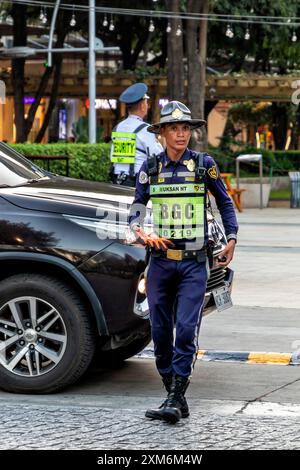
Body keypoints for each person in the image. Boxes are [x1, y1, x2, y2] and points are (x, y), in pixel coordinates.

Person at [129, 101, 238, 423]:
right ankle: (172, 392)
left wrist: (231, 239)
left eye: (186, 128)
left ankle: (176, 396)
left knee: (187, 329)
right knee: (160, 331)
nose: (181, 134)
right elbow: (137, 206)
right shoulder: (150, 169)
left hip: (194, 263)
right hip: (161, 263)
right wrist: (141, 231)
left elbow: (226, 204)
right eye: (174, 128)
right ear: (161, 133)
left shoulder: (204, 165)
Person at [110, 82, 163, 187]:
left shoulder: (118, 127)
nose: (147, 106)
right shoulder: (145, 129)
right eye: (146, 103)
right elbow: (157, 155)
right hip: (137, 181)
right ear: (142, 105)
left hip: (117, 178)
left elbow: (112, 156)